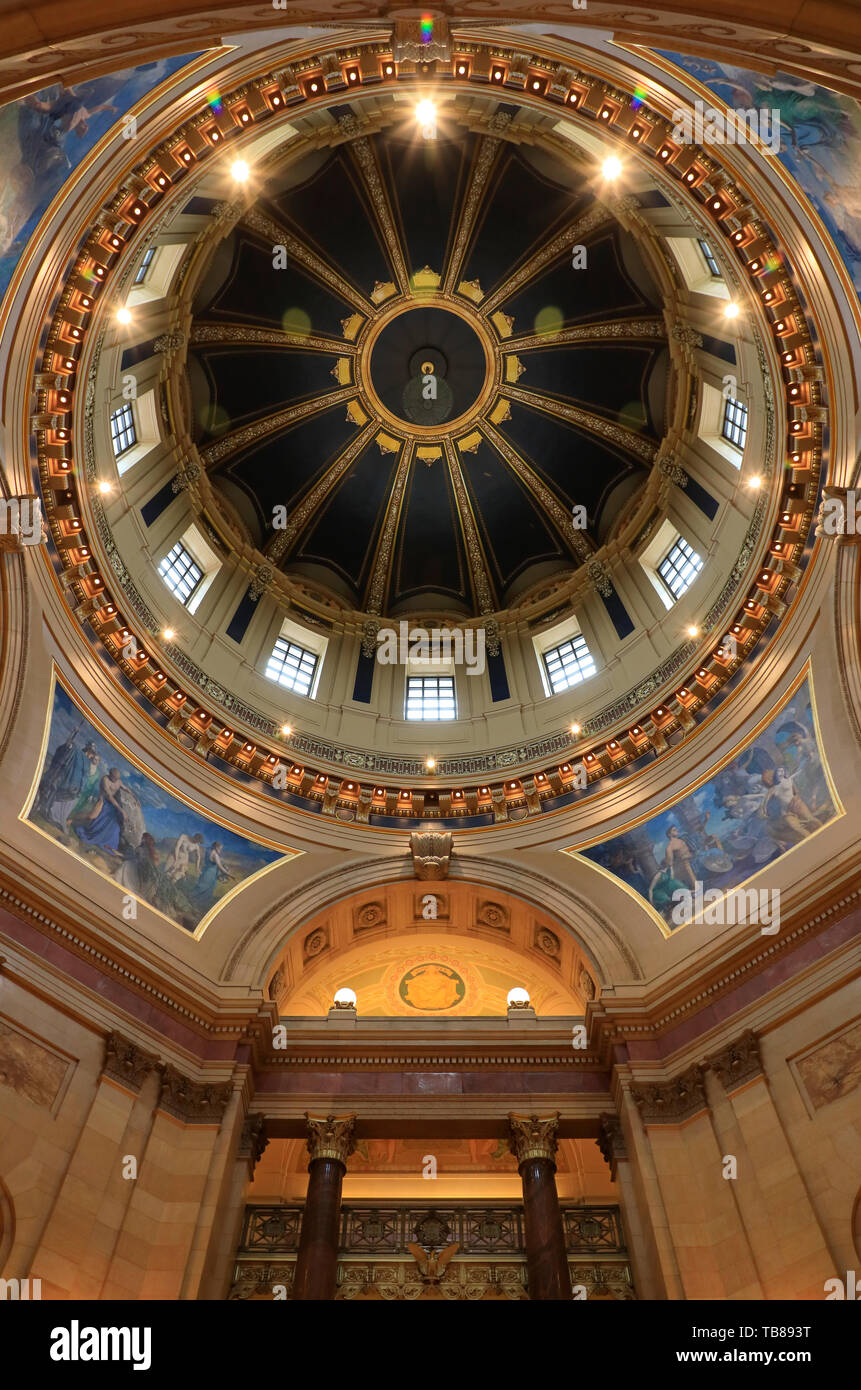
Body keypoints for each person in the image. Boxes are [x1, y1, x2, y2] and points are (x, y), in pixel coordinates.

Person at [73, 767, 125, 856]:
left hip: (111, 806)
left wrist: (134, 798)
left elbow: (125, 788)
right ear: (110, 775)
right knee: (91, 816)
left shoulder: (118, 781)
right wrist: (121, 810)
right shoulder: (105, 779)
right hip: (103, 801)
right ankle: (74, 820)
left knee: (114, 825)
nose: (116, 779)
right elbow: (109, 796)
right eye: (115, 777)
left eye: (117, 778)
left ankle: (107, 842)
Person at [664, 825, 697, 891]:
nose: (677, 831)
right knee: (695, 886)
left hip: (693, 861)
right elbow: (670, 863)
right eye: (674, 830)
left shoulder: (681, 839)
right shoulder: (669, 847)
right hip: (684, 866)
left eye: (676, 829)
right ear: (669, 834)